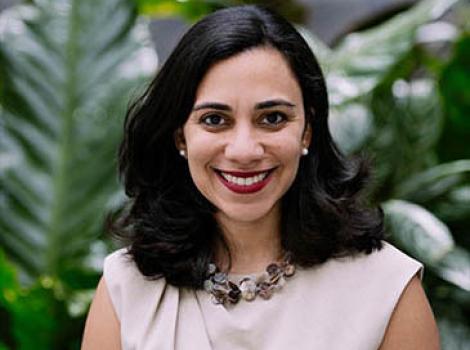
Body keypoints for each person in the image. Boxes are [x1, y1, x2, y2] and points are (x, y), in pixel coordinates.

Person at [81, 5, 439, 350]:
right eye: (215, 120)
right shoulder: (126, 289)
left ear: (308, 131)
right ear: (180, 136)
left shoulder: (386, 290)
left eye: (272, 119)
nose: (244, 150)